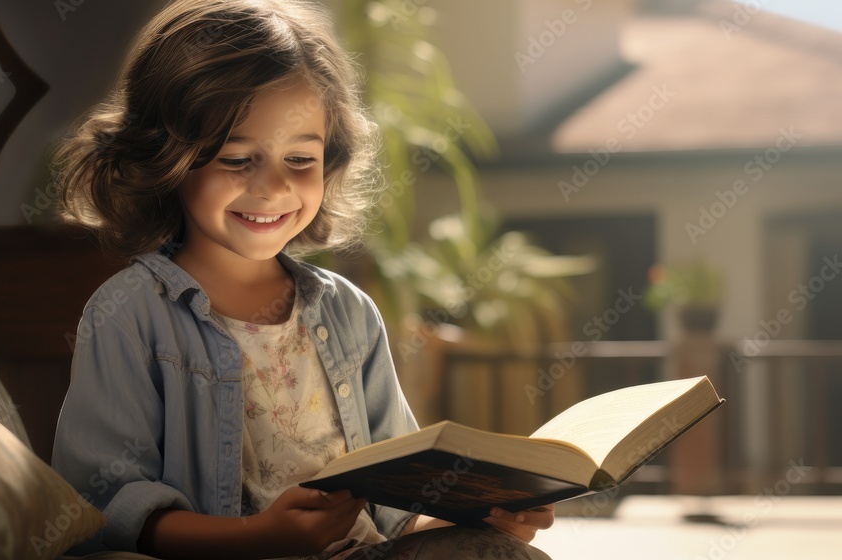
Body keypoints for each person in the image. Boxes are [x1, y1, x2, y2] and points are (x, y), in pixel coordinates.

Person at [50, 1, 555, 558]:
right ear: (168, 158)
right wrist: (259, 537)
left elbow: (396, 514)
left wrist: (485, 521)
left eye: (299, 159)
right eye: (238, 158)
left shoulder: (349, 313)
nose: (273, 188)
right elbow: (105, 508)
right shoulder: (128, 315)